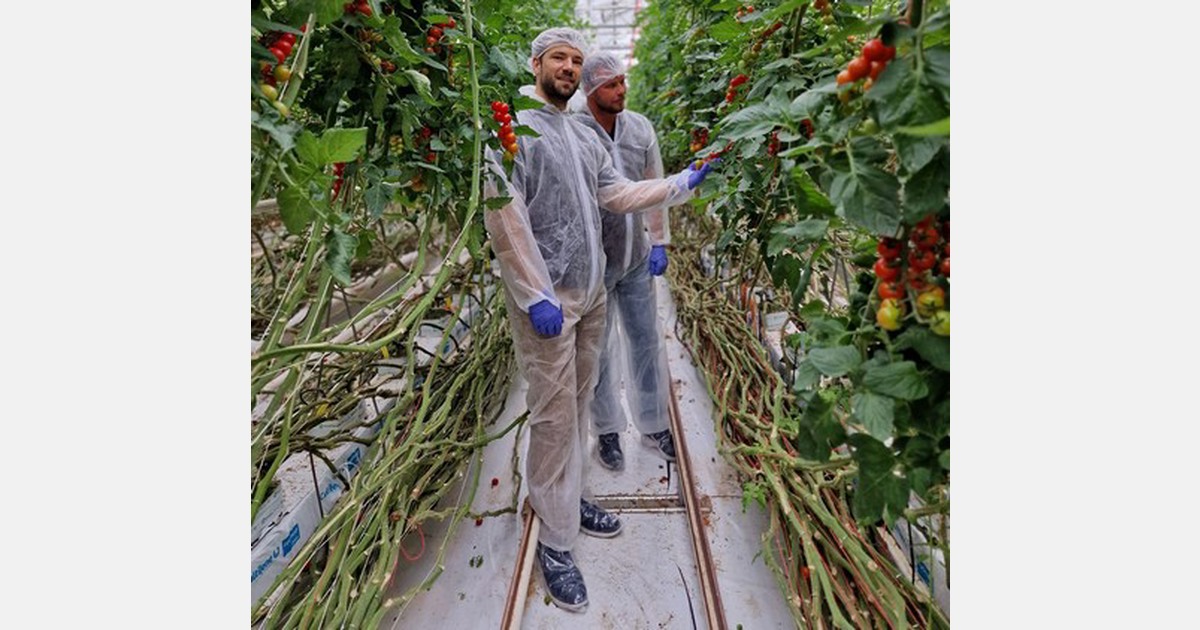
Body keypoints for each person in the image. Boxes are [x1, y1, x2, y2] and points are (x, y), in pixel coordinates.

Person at [481, 28, 716, 613]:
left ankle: (569, 498)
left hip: (590, 295)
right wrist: (535, 293)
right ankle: (555, 542)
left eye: (576, 60)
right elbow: (505, 217)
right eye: (558, 58)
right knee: (554, 417)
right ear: (536, 64)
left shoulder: (582, 136)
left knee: (580, 404)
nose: (568, 67)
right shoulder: (513, 132)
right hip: (549, 303)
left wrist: (679, 184)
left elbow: (616, 193)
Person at [574, 52, 676, 473]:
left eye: (622, 82)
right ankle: (608, 432)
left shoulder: (640, 128)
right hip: (592, 263)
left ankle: (654, 425)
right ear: (591, 91)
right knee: (597, 351)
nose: (622, 91)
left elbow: (654, 184)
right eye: (612, 85)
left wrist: (659, 240)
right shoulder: (575, 130)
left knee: (646, 340)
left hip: (635, 257)